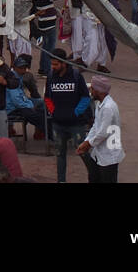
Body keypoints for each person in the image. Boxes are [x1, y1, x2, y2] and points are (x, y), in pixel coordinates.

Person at [44, 51, 90, 182]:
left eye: (56, 64)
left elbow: (86, 98)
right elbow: (47, 98)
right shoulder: (51, 76)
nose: (53, 67)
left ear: (64, 63)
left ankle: (94, 177)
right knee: (60, 155)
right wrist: (53, 112)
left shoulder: (76, 76)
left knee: (84, 153)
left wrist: (75, 113)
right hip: (58, 125)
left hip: (76, 125)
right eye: (52, 64)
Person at [76, 75, 123, 183]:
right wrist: (86, 141)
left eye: (92, 89)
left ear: (99, 91)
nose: (91, 91)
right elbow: (95, 126)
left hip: (109, 155)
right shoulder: (100, 104)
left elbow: (102, 132)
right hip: (99, 153)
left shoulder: (108, 107)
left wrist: (88, 144)